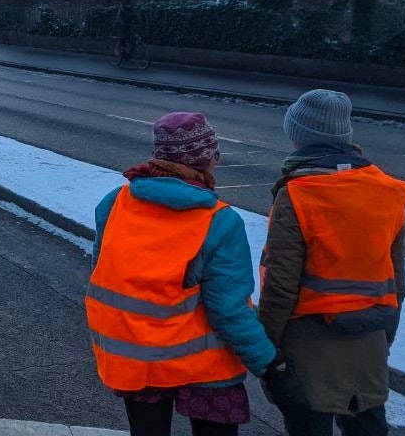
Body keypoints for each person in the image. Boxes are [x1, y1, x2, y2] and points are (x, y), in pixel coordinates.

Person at [87, 112, 284, 436]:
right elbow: (230, 310)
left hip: (137, 358)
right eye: (215, 155)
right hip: (205, 366)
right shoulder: (220, 221)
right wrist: (268, 362)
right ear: (206, 160)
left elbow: (102, 269)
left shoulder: (116, 203)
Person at [259, 90, 405, 436]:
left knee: (309, 424)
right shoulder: (389, 191)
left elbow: (281, 284)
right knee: (367, 423)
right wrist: (384, 336)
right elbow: (396, 278)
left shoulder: (299, 192)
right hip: (370, 332)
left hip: (309, 340)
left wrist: (268, 349)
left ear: (297, 135)